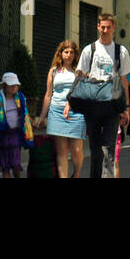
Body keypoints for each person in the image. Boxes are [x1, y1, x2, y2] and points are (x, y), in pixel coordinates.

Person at [72, 13, 130, 178]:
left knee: (108, 149)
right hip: (92, 105)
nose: (105, 30)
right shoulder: (89, 49)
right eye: (102, 27)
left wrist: (126, 108)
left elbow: (124, 82)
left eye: (108, 27)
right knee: (95, 150)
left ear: (113, 28)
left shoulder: (120, 51)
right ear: (98, 27)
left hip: (112, 105)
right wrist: (71, 102)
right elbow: (79, 76)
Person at [38, 40, 85, 178]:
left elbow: (83, 92)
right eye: (66, 52)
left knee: (76, 150)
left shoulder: (80, 71)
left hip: (77, 112)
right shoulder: (53, 71)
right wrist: (42, 116)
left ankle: (76, 174)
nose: (69, 55)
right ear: (61, 53)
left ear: (76, 55)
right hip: (56, 112)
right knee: (62, 151)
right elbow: (48, 95)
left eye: (72, 52)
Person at [0, 71, 33, 178]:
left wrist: (33, 124)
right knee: (5, 166)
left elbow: (25, 115)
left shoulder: (20, 98)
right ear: (4, 86)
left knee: (15, 164)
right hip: (3, 134)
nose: (14, 87)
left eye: (16, 85)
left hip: (15, 134)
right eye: (11, 85)